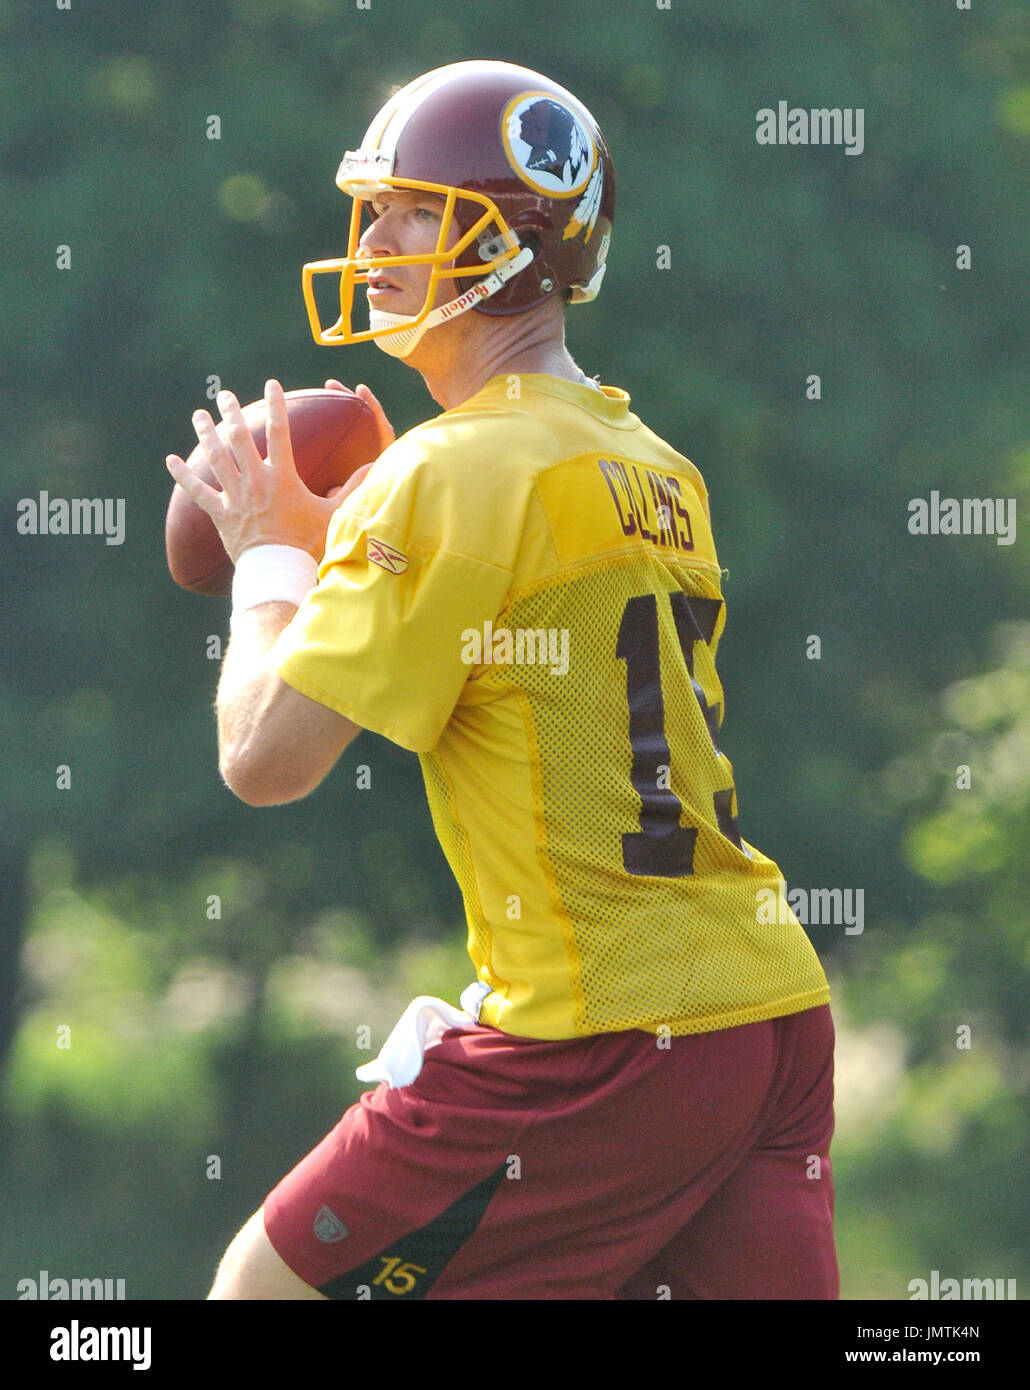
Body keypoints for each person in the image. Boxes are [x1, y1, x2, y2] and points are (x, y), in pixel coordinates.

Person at [166, 60, 837, 1301]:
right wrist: (350, 557)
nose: (373, 242)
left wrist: (269, 561)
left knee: (260, 1295)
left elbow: (264, 761)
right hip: (768, 1011)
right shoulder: (654, 461)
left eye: (411, 211)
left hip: (601, 1033)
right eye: (372, 212)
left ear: (508, 242)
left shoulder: (452, 471)